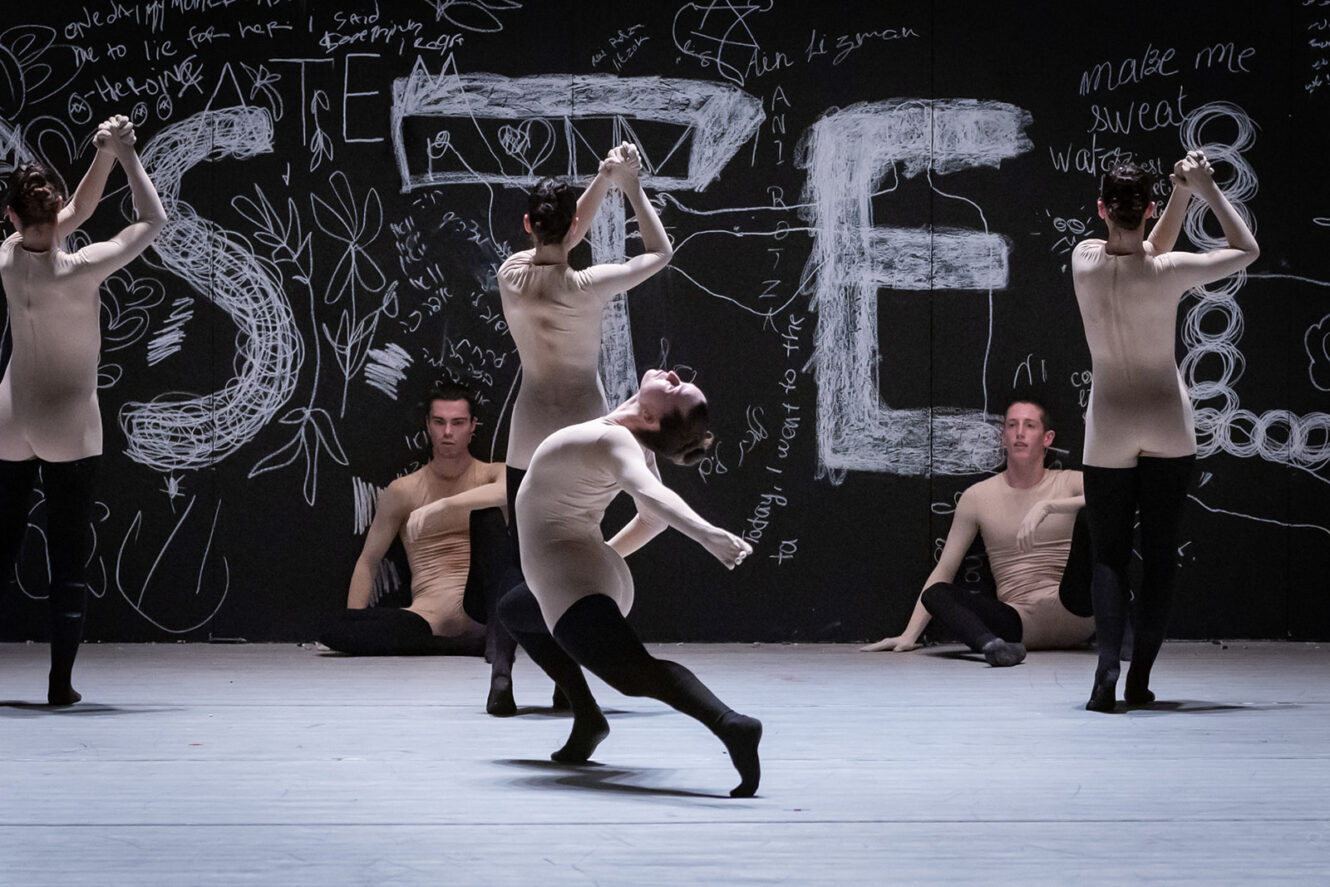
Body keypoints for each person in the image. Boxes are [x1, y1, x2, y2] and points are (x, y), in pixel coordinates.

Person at [496, 369, 762, 797]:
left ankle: (732, 725)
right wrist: (604, 559)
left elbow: (656, 500)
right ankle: (587, 717)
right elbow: (652, 520)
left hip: (571, 576)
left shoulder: (614, 440)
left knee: (637, 676)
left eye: (675, 389)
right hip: (582, 569)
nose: (672, 375)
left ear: (655, 419)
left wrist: (708, 535)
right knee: (514, 610)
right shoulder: (629, 440)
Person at [488, 141, 674, 715]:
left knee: (525, 565)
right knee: (574, 548)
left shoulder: (512, 275)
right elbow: (660, 252)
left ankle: (502, 677)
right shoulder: (590, 284)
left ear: (526, 226)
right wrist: (630, 186)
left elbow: (564, 233)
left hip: (528, 433)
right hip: (583, 433)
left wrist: (601, 176)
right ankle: (571, 675)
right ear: (572, 227)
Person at [1072, 151, 1258, 712]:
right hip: (1164, 419)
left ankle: (1106, 674)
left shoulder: (1082, 259)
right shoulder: (1169, 271)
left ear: (1102, 209)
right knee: (1158, 556)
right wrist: (1203, 189)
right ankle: (1140, 680)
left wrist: (1176, 190)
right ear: (1147, 209)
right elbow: (1246, 249)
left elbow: (1141, 247)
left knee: (1109, 555)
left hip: (1108, 420)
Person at [0, 115, 166, 704]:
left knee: (3, 547)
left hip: (12, 416)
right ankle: (60, 685)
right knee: (68, 559)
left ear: (13, 219)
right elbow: (152, 219)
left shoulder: (6, 255)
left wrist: (102, 149)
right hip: (68, 421)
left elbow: (73, 211)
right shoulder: (81, 268)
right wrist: (125, 155)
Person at [860, 400, 1094, 665]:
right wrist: (909, 635)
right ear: (1003, 436)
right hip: (1019, 624)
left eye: (1030, 426)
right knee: (935, 592)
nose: (1020, 433)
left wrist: (1049, 506)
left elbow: (1113, 498)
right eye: (1012, 425)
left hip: (1077, 608)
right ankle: (992, 647)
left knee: (1093, 512)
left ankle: (1126, 636)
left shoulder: (1070, 482)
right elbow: (945, 569)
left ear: (1047, 438)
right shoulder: (977, 497)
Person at [321, 384, 518, 681]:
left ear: (473, 426)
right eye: (439, 422)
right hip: (428, 619)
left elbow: (509, 491)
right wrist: (356, 624)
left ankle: (492, 638)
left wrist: (444, 506)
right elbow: (367, 562)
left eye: (458, 422)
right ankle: (459, 647)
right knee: (332, 626)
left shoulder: (492, 474)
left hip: (482, 609)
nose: (448, 431)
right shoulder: (404, 491)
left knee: (488, 517)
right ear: (428, 425)